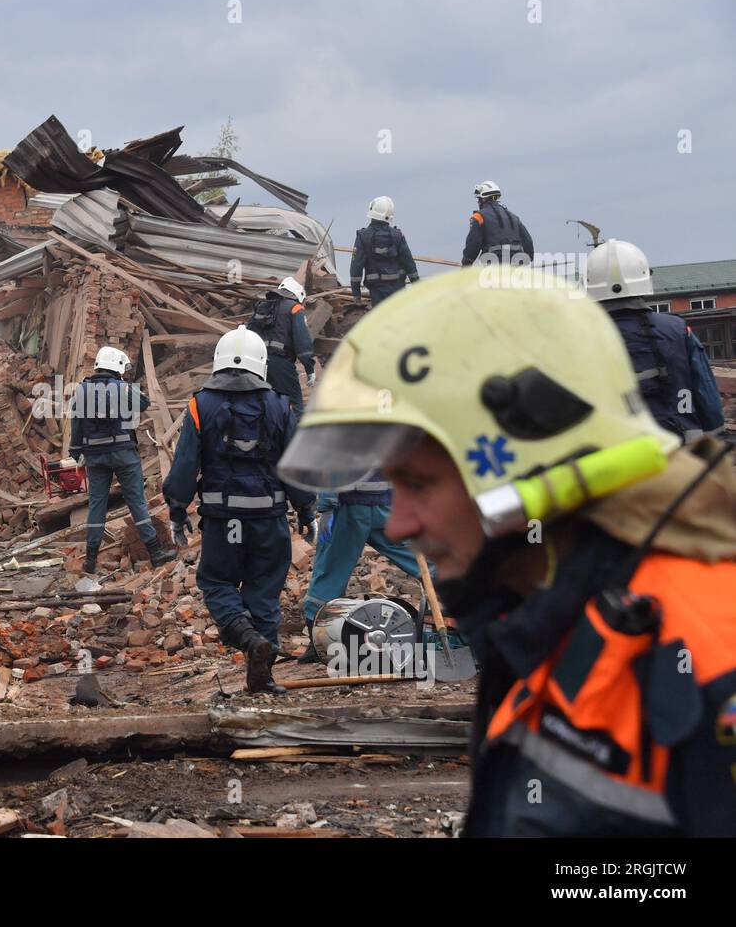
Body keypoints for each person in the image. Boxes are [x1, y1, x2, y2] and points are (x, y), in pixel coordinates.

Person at [277, 264, 736, 835]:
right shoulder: (546, 621)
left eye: (419, 484)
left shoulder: (706, 650)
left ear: (521, 474)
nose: (396, 525)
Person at [163, 327, 315, 693]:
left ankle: (246, 638)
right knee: (264, 592)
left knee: (217, 583)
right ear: (261, 364)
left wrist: (178, 508)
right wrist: (306, 509)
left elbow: (185, 466)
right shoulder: (281, 405)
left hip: (222, 520)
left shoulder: (201, 405)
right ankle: (262, 677)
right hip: (269, 520)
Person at [585, 239, 724, 443]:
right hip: (681, 455)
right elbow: (707, 395)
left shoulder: (583, 337)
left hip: (614, 460)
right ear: (644, 276)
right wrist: (714, 440)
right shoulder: (677, 330)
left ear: (589, 283)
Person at [298, 471, 427, 661]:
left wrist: (326, 506)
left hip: (350, 508)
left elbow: (333, 462)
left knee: (329, 574)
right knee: (424, 563)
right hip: (386, 507)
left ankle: (318, 643)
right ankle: (460, 614)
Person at [69, 346, 176, 575]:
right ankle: (156, 554)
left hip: (95, 457)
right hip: (123, 455)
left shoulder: (81, 390)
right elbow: (144, 404)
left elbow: (76, 425)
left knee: (97, 505)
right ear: (117, 365)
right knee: (136, 501)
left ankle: (90, 560)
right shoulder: (123, 388)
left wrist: (76, 453)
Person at [245, 275, 315, 412]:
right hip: (281, 363)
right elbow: (302, 341)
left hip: (256, 363)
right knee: (294, 407)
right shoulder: (295, 308)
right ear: (297, 295)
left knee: (262, 406)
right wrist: (309, 368)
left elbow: (248, 333)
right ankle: (292, 433)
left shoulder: (262, 307)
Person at [350, 196, 419, 305]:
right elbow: (409, 263)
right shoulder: (398, 235)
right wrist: (418, 286)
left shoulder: (363, 236)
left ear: (372, 212)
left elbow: (356, 267)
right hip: (398, 291)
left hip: (377, 292)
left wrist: (356, 295)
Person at [461, 180, 533, 266]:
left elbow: (473, 244)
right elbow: (528, 242)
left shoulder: (479, 217)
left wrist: (466, 264)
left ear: (483, 198)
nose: (478, 202)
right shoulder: (514, 218)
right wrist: (528, 259)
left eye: (479, 199)